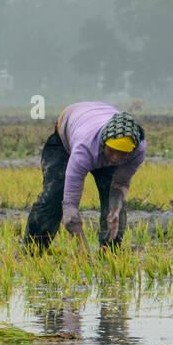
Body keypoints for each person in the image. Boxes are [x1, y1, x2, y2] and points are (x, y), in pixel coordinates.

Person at [23, 102, 146, 249]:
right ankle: (33, 250)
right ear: (104, 142)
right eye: (112, 151)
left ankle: (110, 252)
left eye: (122, 153)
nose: (115, 157)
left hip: (95, 118)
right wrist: (82, 244)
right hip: (66, 139)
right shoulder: (84, 148)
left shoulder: (137, 151)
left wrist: (114, 210)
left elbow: (120, 184)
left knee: (114, 206)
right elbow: (70, 206)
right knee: (54, 196)